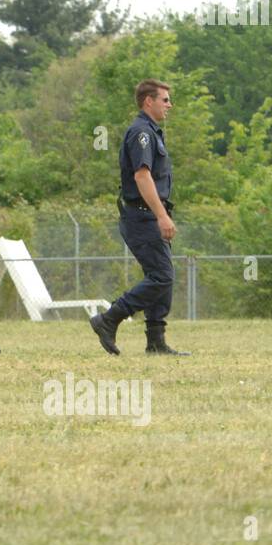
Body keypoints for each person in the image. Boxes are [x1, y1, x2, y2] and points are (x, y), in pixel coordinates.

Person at [88, 79, 189, 356]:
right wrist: (161, 216)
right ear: (149, 101)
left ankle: (156, 341)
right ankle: (109, 319)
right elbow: (142, 176)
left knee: (161, 275)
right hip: (142, 216)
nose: (170, 105)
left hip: (149, 215)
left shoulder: (152, 132)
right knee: (162, 276)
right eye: (165, 99)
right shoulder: (141, 133)